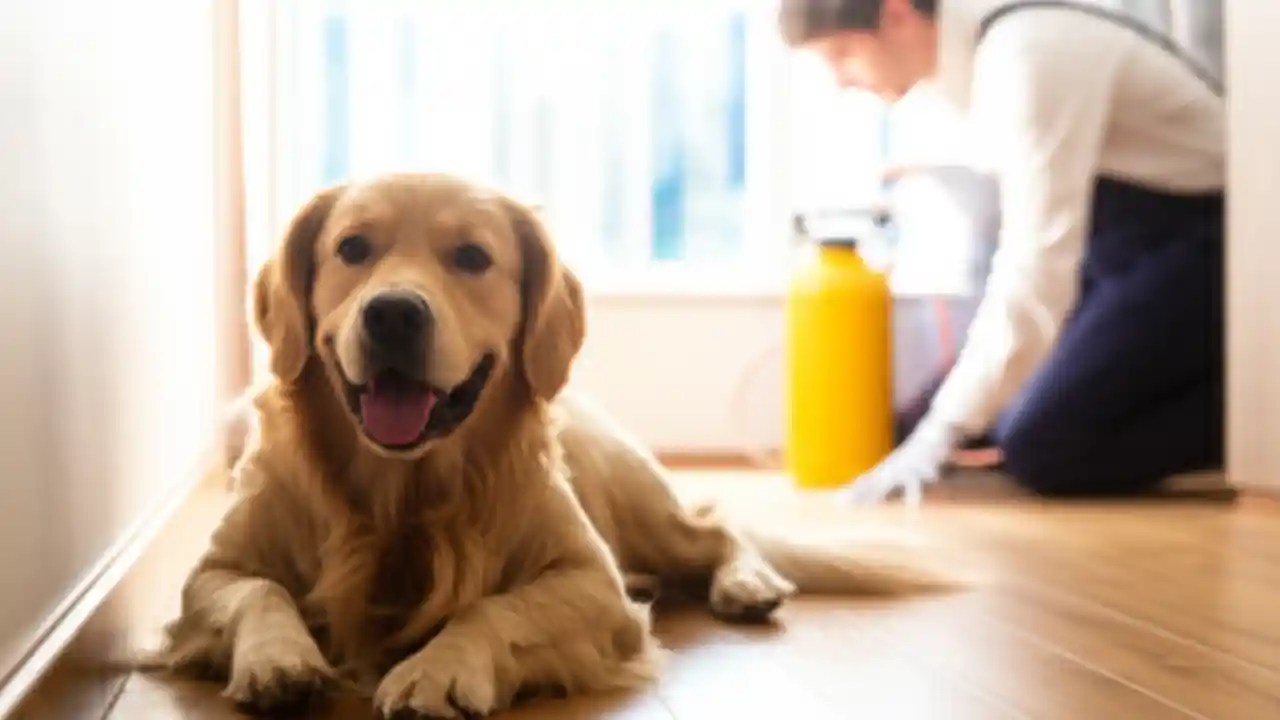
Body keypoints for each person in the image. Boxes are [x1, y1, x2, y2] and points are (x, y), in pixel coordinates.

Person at [777, 0, 1226, 500]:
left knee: (1046, 447)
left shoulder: (1030, 52)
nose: (841, 80)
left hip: (1203, 245)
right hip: (1114, 251)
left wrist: (943, 430)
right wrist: (936, 425)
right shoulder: (968, 68)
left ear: (897, 13)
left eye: (843, 54)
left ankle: (1253, 414)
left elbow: (1038, 265)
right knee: (908, 426)